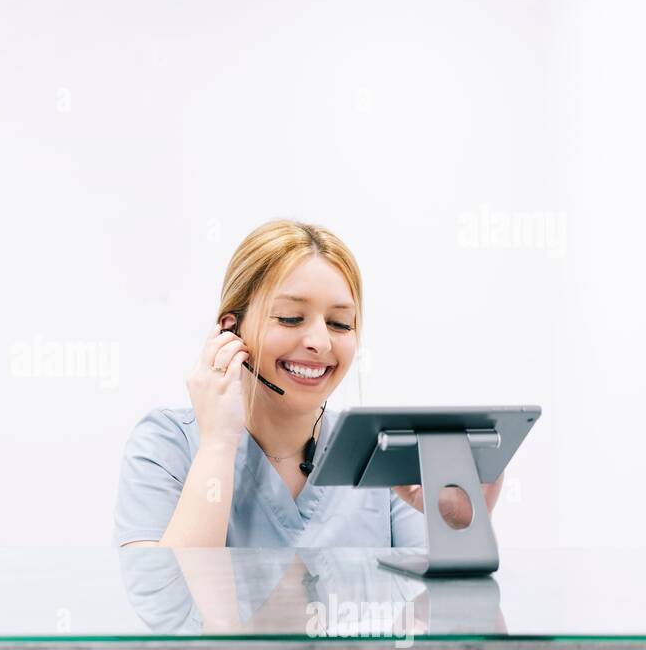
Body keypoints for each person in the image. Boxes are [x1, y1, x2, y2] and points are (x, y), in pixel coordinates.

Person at [112, 219, 503, 549]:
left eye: (339, 323)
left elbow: (438, 628)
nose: (320, 342)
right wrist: (217, 444)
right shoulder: (165, 444)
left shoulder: (380, 455)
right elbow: (167, 610)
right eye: (289, 318)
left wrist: (458, 529)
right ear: (230, 330)